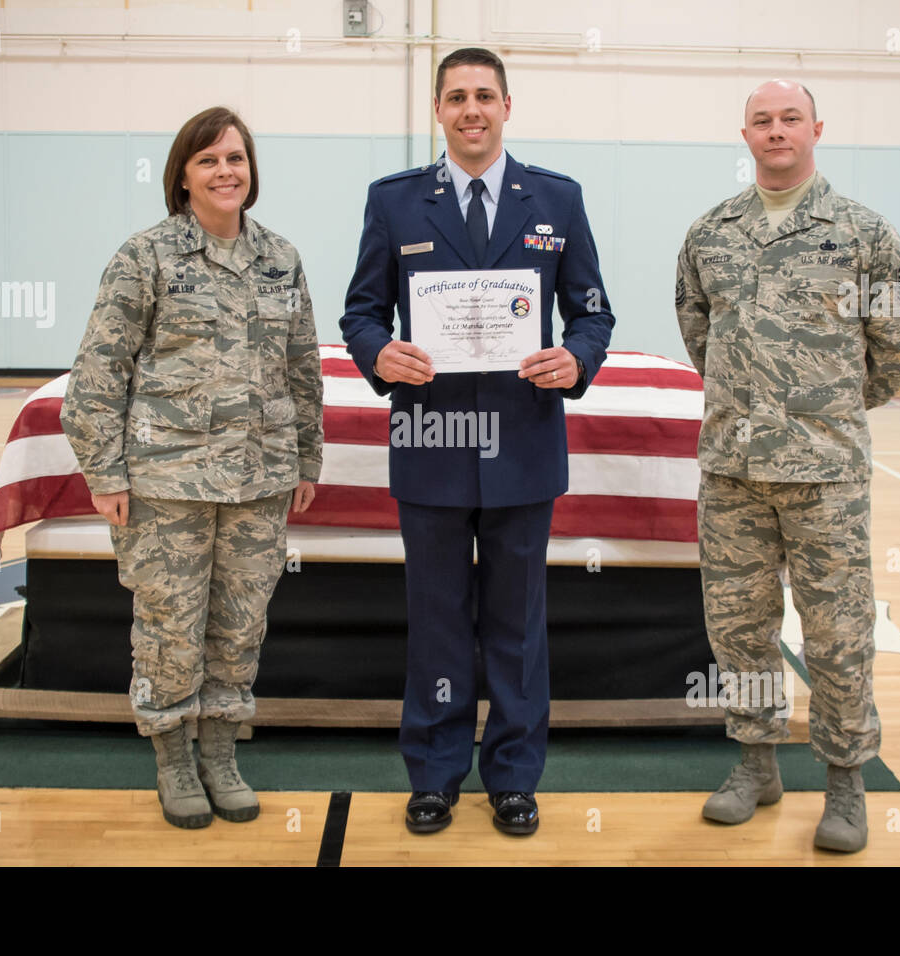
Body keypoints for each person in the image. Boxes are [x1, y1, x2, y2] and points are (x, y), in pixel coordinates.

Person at [340, 47, 614, 836]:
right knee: (434, 619)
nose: (471, 110)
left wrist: (578, 356)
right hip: (430, 441)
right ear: (438, 110)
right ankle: (433, 775)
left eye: (484, 96)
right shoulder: (394, 204)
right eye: (456, 96)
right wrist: (377, 353)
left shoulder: (556, 201)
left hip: (523, 446)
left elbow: (592, 311)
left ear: (505, 107)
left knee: (517, 625)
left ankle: (515, 778)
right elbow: (362, 312)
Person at [675, 80, 900, 852]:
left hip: (826, 477)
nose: (776, 131)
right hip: (732, 473)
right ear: (744, 134)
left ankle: (846, 783)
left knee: (839, 633)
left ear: (816, 128)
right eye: (763, 120)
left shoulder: (863, 233)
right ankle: (756, 764)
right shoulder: (710, 233)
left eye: (790, 119)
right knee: (740, 630)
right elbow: (696, 327)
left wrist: (836, 408)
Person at [60, 106, 323, 829]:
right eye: (209, 160)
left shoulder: (281, 259)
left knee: (239, 627)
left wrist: (306, 456)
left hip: (259, 479)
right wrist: (105, 472)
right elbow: (99, 371)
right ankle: (173, 759)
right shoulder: (145, 258)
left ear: (252, 171)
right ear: (182, 175)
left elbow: (303, 367)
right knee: (171, 626)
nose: (225, 172)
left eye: (236, 158)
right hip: (164, 483)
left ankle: (219, 752)